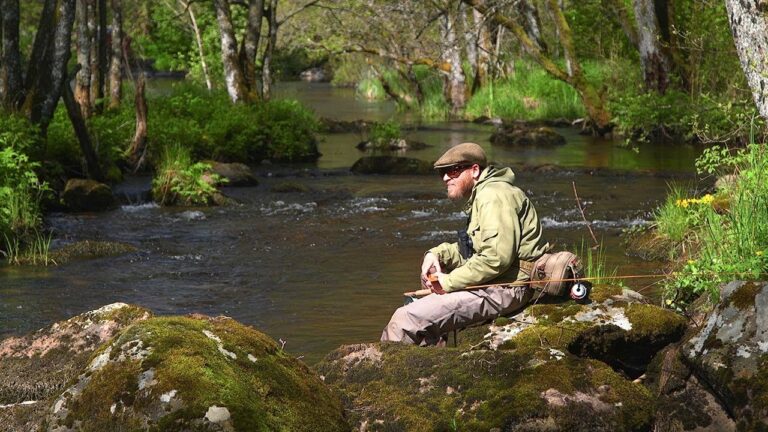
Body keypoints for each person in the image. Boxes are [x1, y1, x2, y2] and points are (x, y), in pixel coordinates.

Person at [381, 142, 550, 345]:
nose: (445, 178)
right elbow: (472, 248)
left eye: (453, 171)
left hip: (506, 288)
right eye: (442, 173)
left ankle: (393, 373)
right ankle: (433, 365)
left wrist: (447, 282)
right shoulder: (483, 194)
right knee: (426, 285)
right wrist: (436, 254)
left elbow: (495, 259)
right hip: (496, 282)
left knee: (404, 319)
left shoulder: (493, 197)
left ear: (475, 170)